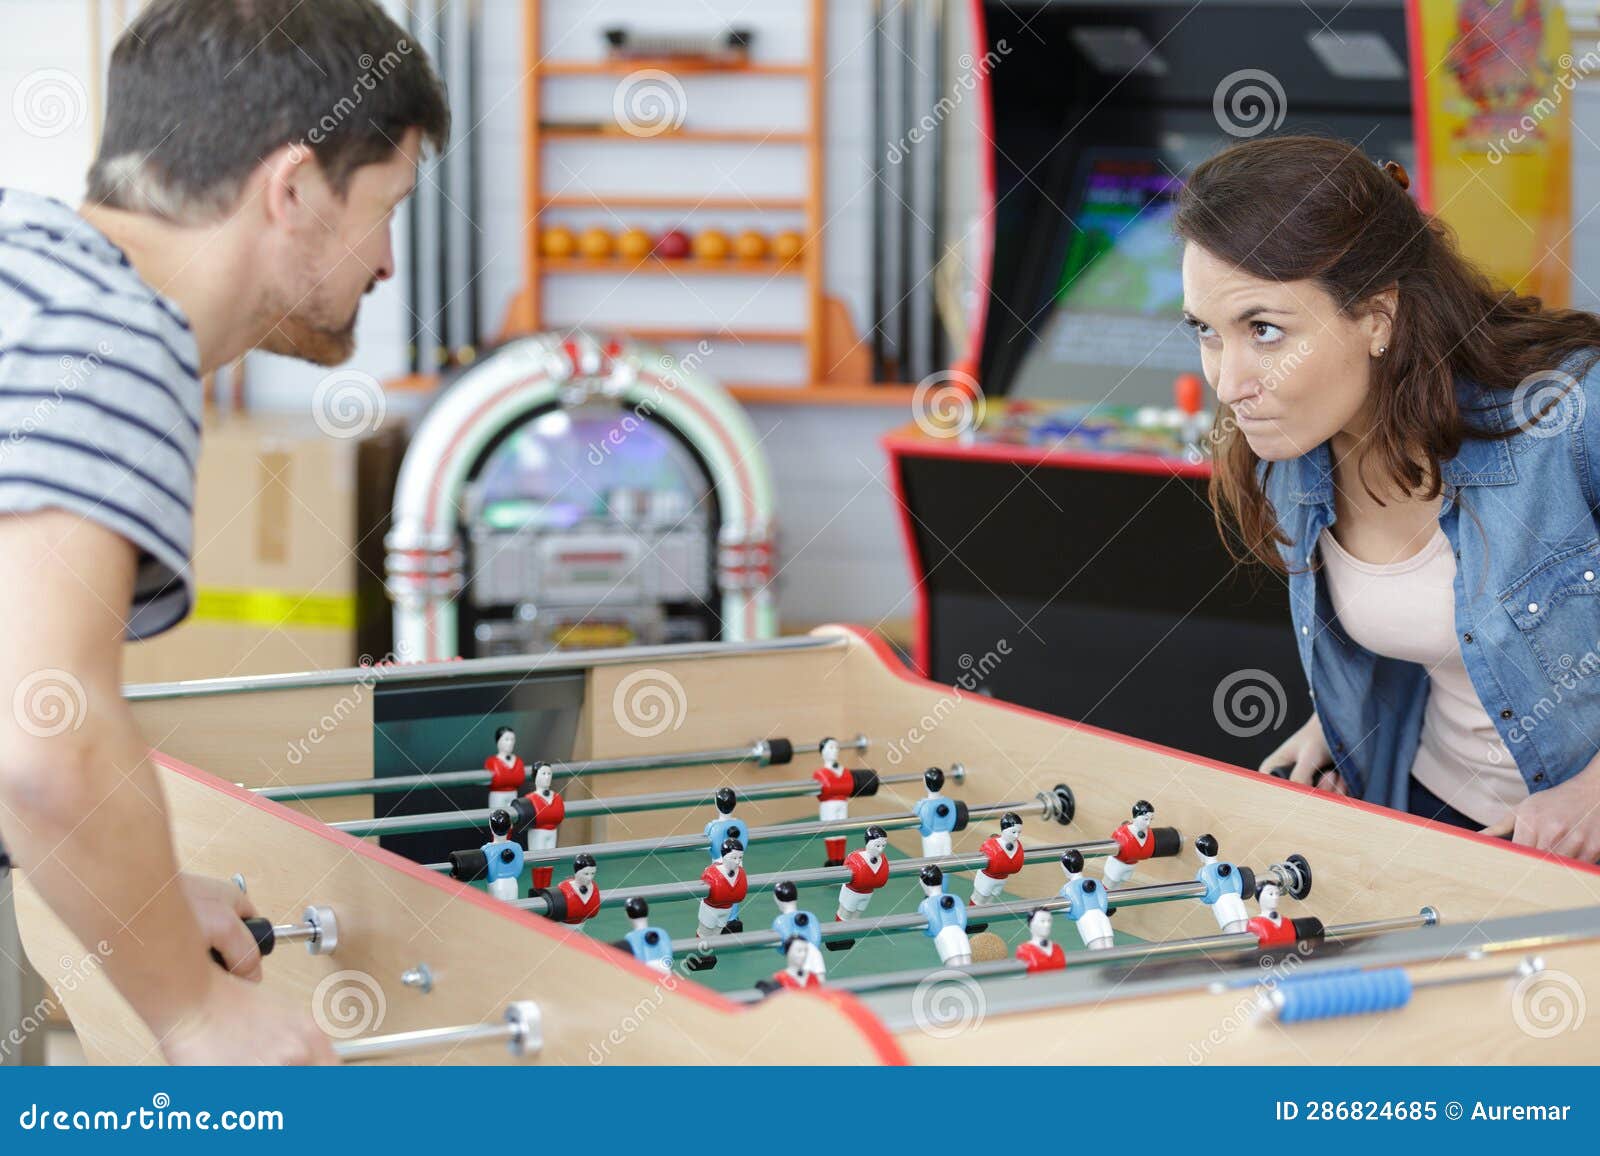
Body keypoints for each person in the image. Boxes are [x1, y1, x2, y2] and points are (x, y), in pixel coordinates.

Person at [0, 0, 449, 1064]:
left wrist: (142, 906)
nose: (386, 263)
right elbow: (41, 738)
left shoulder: (28, 271)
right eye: (386, 207)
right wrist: (193, 1012)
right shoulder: (109, 335)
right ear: (290, 190)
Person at [1176, 134, 1600, 861]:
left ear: (1378, 317)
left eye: (1266, 330)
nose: (1228, 381)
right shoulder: (1289, 453)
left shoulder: (1567, 410)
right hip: (1437, 808)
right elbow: (1435, 636)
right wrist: (1340, 724)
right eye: (1207, 333)